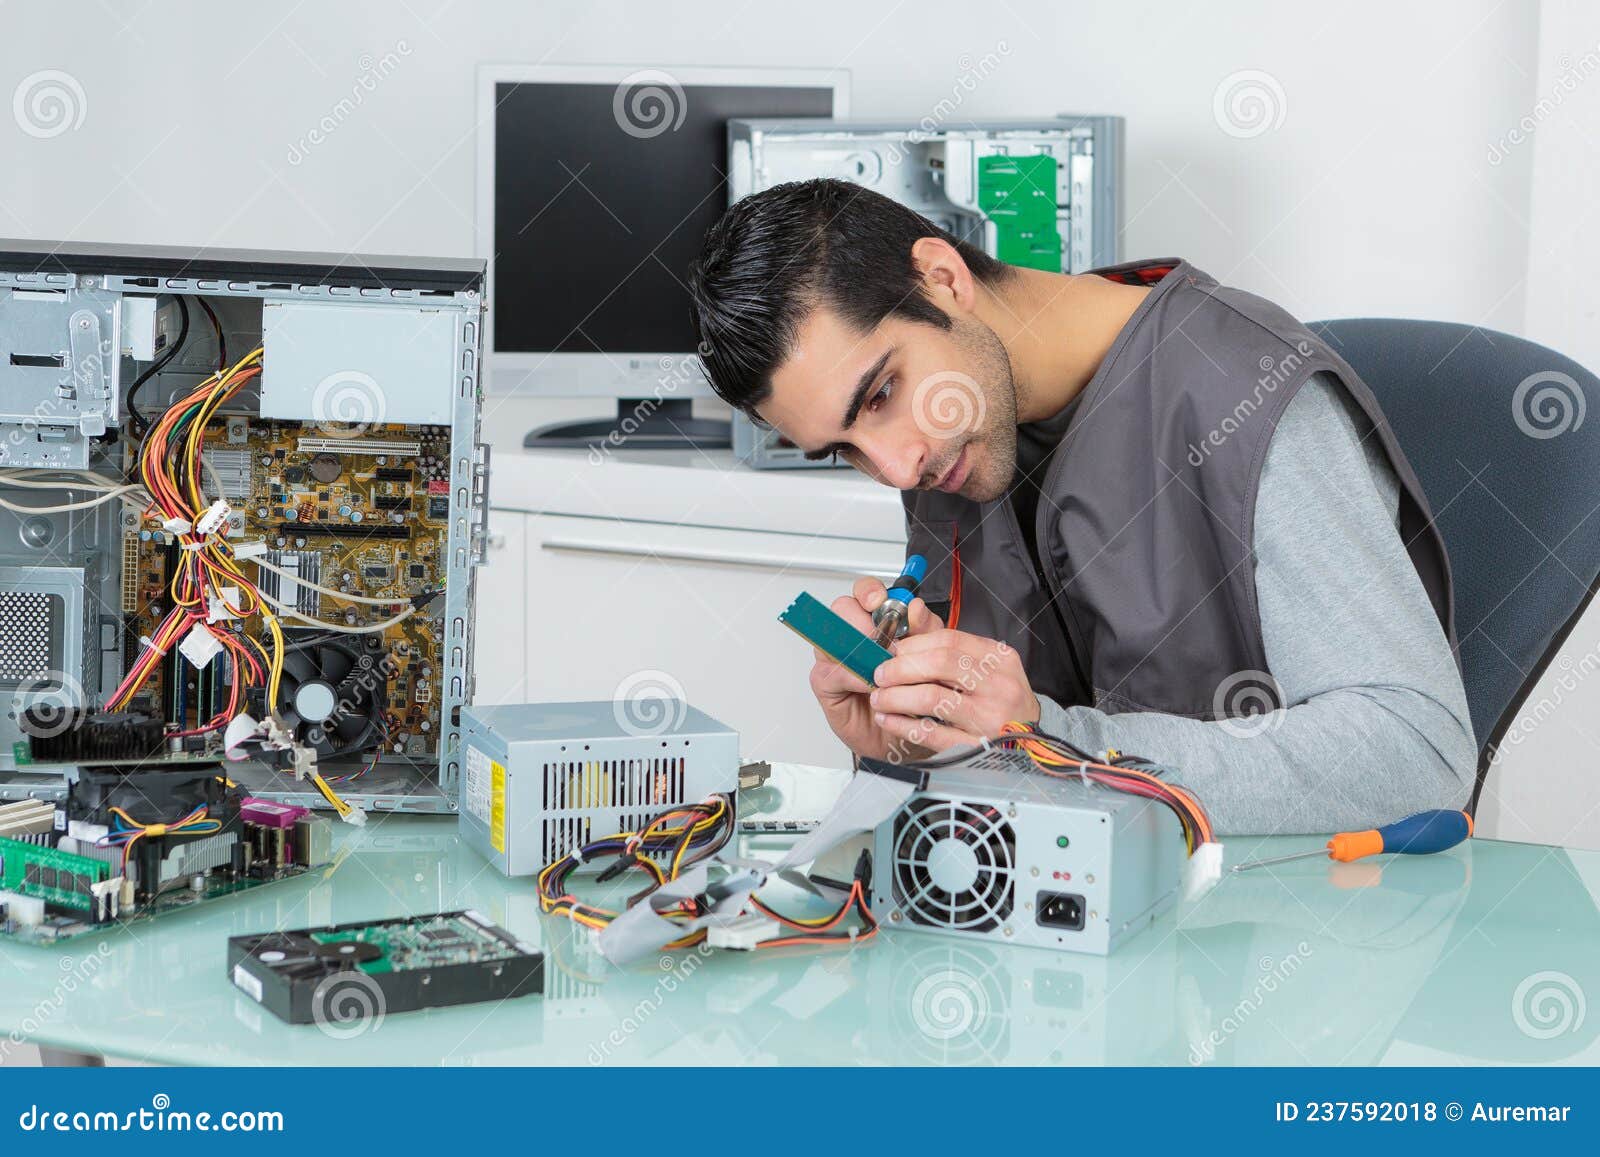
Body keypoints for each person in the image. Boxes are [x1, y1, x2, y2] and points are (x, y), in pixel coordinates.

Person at [686, 178, 1475, 834]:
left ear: (942, 278)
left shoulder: (1245, 391)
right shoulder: (951, 440)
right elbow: (1006, 770)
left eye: (882, 393)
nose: (894, 466)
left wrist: (1054, 743)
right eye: (845, 447)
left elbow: (1419, 752)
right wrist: (915, 738)